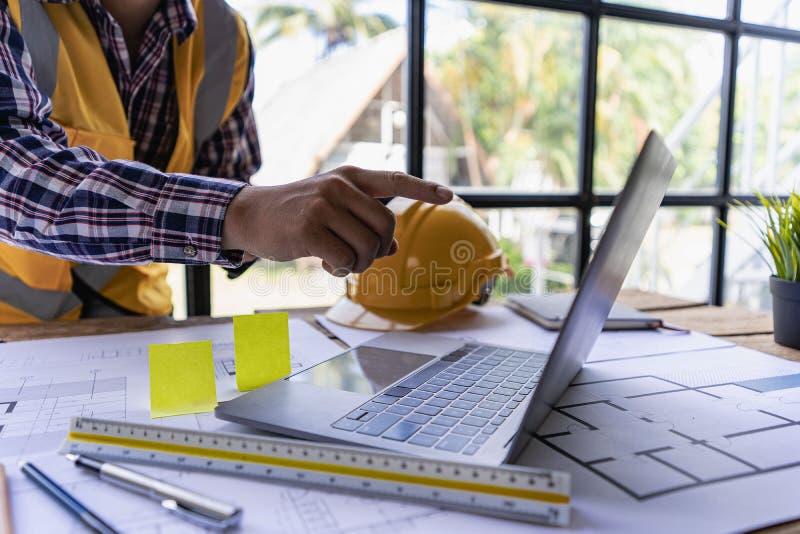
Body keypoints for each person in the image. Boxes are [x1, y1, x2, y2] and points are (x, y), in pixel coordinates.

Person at [0, 0, 453, 324]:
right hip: (12, 334)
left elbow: (232, 199)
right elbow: (12, 175)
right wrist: (242, 214)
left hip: (138, 325)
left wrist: (304, 218)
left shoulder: (223, 35)